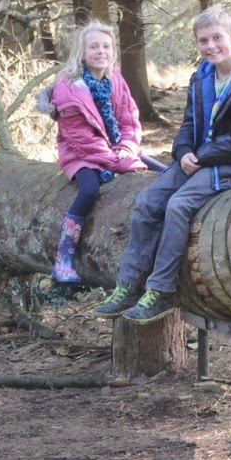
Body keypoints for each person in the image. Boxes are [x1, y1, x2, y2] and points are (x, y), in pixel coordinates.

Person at [96, 6, 231, 324]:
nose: (211, 46)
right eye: (203, 40)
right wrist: (182, 153)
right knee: (148, 201)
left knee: (178, 205)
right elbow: (189, 124)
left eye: (217, 38)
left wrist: (202, 157)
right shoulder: (202, 78)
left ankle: (161, 290)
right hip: (200, 159)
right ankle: (130, 284)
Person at [45, 20, 155, 286]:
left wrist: (127, 149)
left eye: (106, 46)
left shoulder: (115, 78)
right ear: (82, 53)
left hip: (115, 149)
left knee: (161, 172)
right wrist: (118, 162)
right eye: (94, 47)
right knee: (89, 190)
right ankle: (64, 257)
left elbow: (129, 119)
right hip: (80, 154)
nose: (101, 51)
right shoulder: (69, 88)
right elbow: (82, 139)